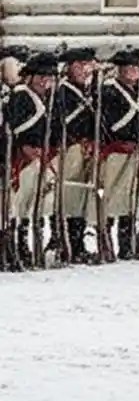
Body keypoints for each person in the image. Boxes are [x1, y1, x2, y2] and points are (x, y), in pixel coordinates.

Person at [7, 52, 58, 268]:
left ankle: (29, 244)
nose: (45, 81)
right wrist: (25, 147)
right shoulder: (20, 96)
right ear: (30, 77)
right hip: (22, 158)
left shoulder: (50, 98)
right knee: (19, 204)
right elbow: (14, 127)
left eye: (49, 77)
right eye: (41, 76)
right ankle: (16, 247)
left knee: (35, 204)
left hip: (41, 157)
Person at [99, 50, 139, 259]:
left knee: (133, 198)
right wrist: (117, 141)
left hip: (136, 151)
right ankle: (106, 240)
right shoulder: (109, 92)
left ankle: (128, 241)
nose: (133, 72)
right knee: (111, 198)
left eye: (136, 69)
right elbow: (105, 122)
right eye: (129, 68)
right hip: (116, 150)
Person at [54, 47, 98, 263]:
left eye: (86, 65)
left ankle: (78, 242)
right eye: (79, 65)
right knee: (69, 196)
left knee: (81, 197)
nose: (83, 69)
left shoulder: (91, 91)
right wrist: (76, 139)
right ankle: (66, 243)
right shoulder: (62, 92)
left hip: (87, 149)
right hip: (69, 148)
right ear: (69, 67)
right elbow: (59, 123)